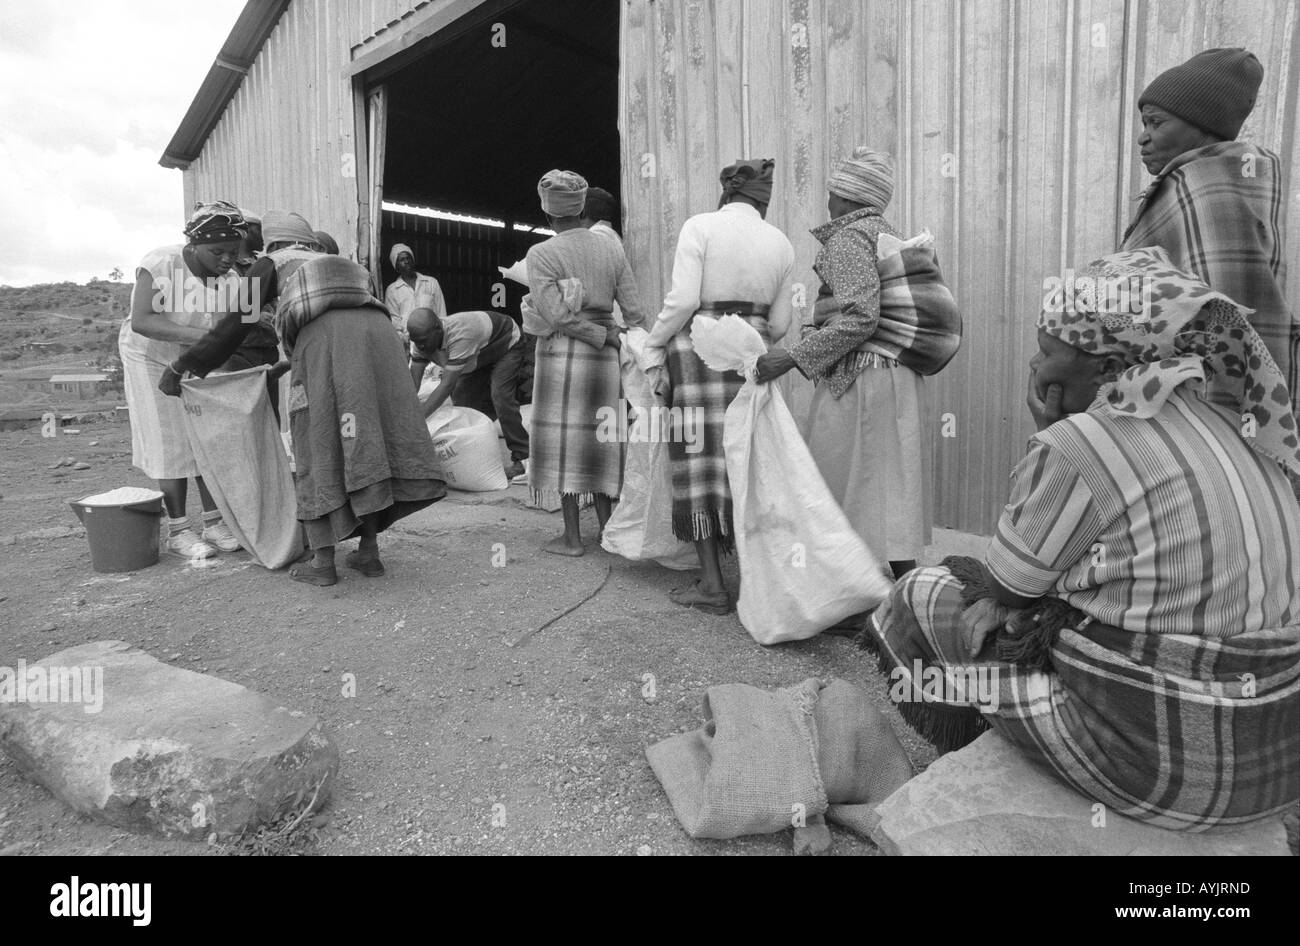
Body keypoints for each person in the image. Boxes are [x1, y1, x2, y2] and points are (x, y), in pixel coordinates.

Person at [863, 247, 1300, 830]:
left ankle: (975, 757)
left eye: (1046, 351)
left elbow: (1009, 582)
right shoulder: (1233, 424)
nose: (1034, 365)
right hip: (1272, 753)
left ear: (1101, 368)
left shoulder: (1083, 441)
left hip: (1172, 767)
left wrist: (1049, 434)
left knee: (920, 593)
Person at [754, 148, 930, 583]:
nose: (828, 201)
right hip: (893, 371)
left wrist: (792, 356)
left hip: (863, 376)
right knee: (886, 483)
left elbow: (860, 316)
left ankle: (842, 592)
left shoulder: (849, 237)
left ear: (846, 197)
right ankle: (907, 588)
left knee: (836, 477)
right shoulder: (884, 233)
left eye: (832, 192)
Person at [1122, 48, 1298, 442]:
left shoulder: (1210, 190)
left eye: (1156, 122)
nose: (1142, 136)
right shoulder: (1208, 186)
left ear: (1201, 125)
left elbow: (1229, 327)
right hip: (1183, 398)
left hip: (1199, 406)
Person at [644, 159, 795, 614]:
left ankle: (712, 585)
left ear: (728, 190)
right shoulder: (781, 243)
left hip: (700, 353)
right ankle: (759, 587)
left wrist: (654, 343)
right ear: (763, 197)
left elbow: (685, 299)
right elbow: (782, 324)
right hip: (753, 357)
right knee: (750, 463)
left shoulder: (700, 227)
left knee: (700, 463)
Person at [276, 254, 447, 586]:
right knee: (370, 446)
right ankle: (369, 552)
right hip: (375, 344)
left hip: (321, 349)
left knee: (318, 445)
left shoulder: (307, 309)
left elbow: (297, 342)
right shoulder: (374, 312)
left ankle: (323, 561)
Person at [119, 200, 250, 559]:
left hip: (196, 355)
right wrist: (207, 339)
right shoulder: (161, 263)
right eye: (217, 251)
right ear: (193, 245)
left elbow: (232, 329)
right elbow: (143, 320)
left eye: (233, 251)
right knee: (171, 437)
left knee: (207, 435)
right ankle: (178, 529)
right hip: (149, 355)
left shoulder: (235, 280)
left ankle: (214, 522)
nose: (226, 259)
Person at [525, 169, 646, 555]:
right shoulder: (611, 248)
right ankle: (608, 531)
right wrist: (615, 337)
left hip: (563, 354)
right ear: (580, 209)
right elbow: (634, 309)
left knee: (563, 444)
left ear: (548, 213)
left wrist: (594, 334)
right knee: (601, 439)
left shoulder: (541, 253)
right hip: (605, 357)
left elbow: (557, 316)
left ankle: (572, 537)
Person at [408, 307, 530, 478]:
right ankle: (473, 457)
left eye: (423, 340)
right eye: (415, 341)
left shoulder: (461, 334)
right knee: (463, 404)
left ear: (438, 328)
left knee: (501, 396)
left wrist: (418, 418)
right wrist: (406, 413)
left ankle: (522, 456)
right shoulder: (420, 342)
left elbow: (446, 385)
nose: (420, 345)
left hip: (507, 343)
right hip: (478, 354)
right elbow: (412, 384)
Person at [384, 243, 446, 345]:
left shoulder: (431, 283)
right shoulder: (392, 290)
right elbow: (394, 320)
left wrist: (442, 338)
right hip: (408, 342)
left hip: (433, 339)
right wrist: (403, 339)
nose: (406, 261)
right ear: (396, 266)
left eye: (408, 258)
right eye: (402, 260)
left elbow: (441, 312)